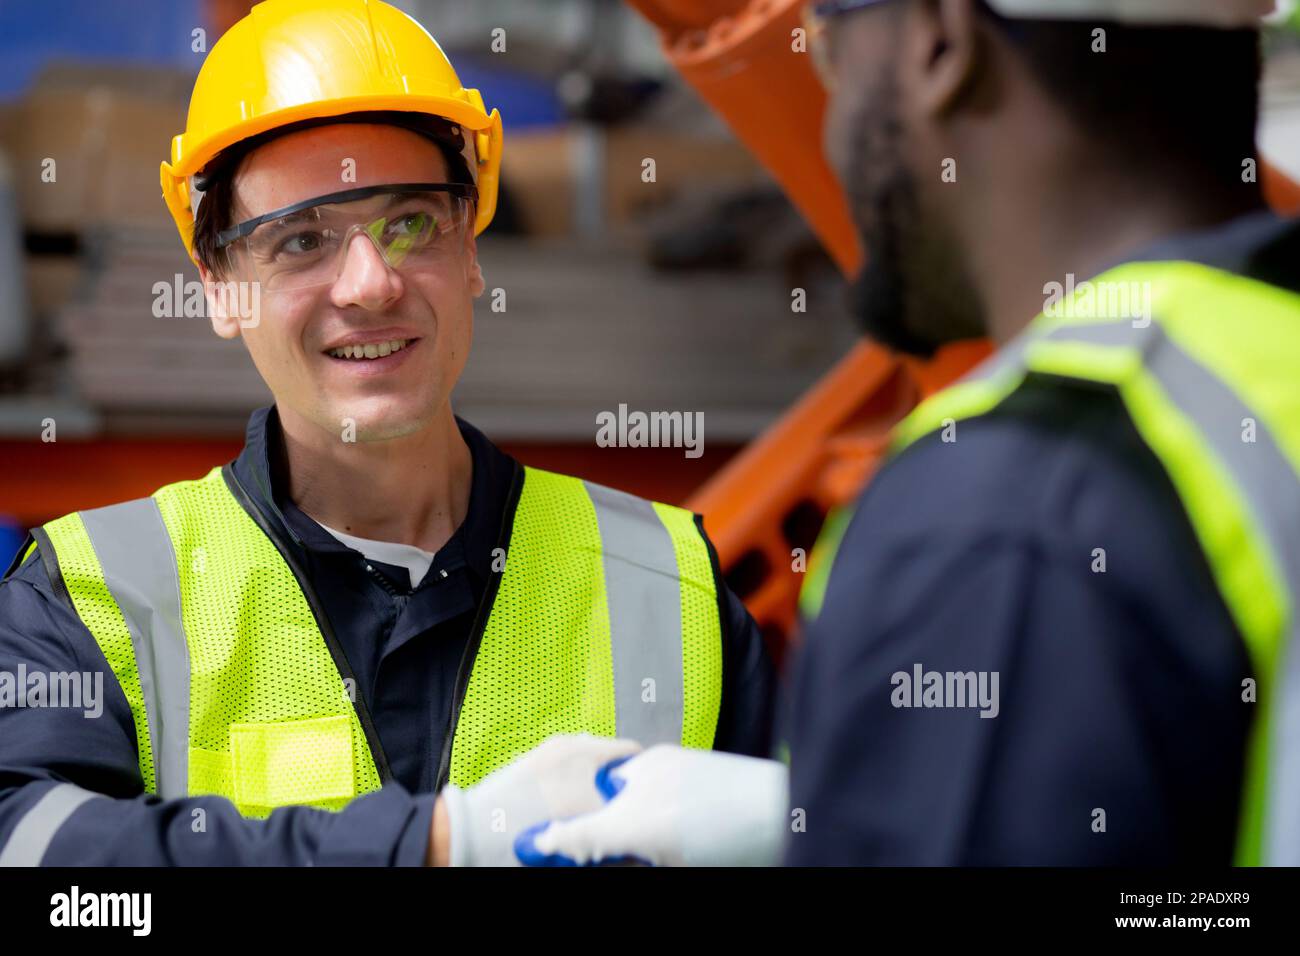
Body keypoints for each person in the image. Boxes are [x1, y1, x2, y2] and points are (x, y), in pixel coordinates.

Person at [516, 0, 1300, 866]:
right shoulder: (1263, 349)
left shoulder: (1009, 515)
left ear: (939, 41)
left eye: (826, 48)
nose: (832, 117)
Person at [0, 0, 773, 868]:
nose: (370, 283)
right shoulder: (89, 602)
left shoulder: (670, 588)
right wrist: (443, 844)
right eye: (300, 240)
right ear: (221, 289)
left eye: (410, 224)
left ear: (471, 250)